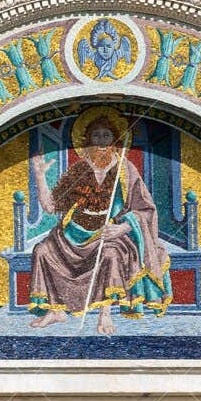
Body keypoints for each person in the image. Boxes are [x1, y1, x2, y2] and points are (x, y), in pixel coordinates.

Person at [27, 107, 171, 337]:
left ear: (115, 140)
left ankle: (105, 312)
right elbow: (51, 207)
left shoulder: (125, 170)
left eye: (107, 136)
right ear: (87, 142)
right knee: (42, 250)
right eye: (96, 136)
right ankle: (56, 310)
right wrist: (40, 176)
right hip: (73, 234)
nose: (102, 141)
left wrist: (122, 228)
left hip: (110, 233)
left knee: (110, 254)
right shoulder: (80, 170)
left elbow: (145, 209)